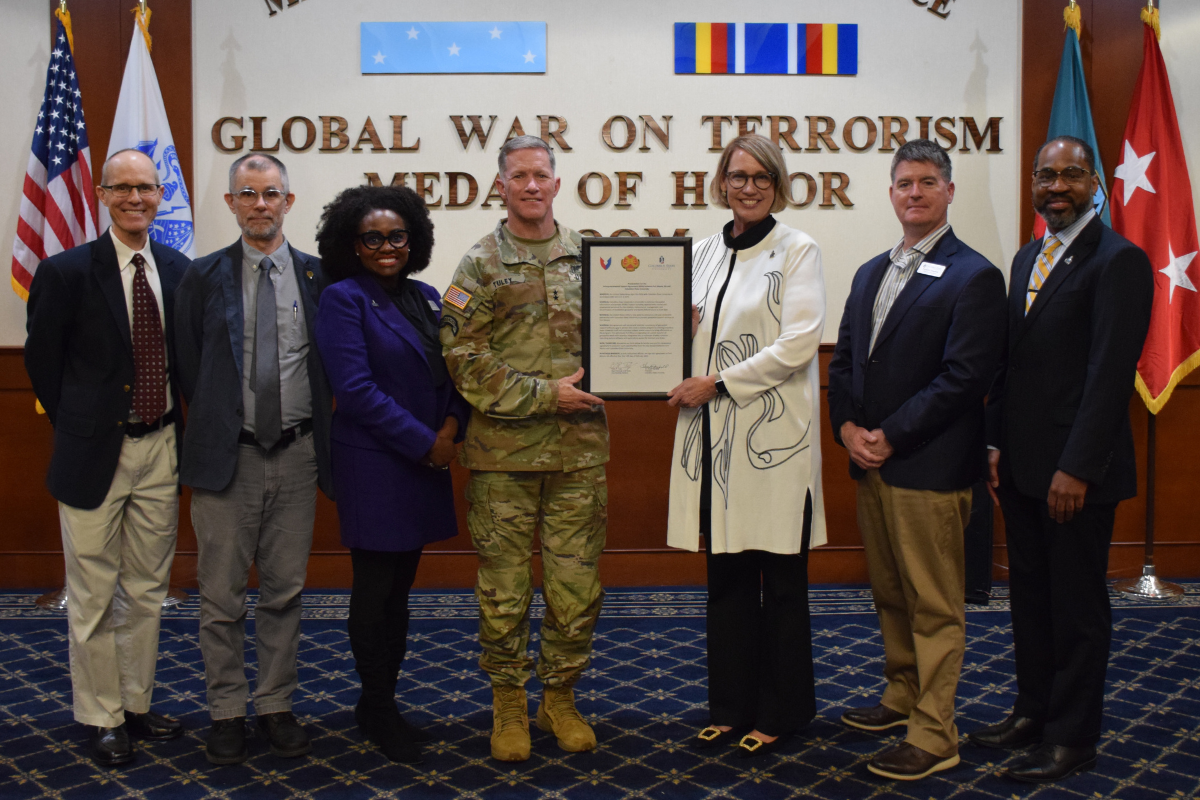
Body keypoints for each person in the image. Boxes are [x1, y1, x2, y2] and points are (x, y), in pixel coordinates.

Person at [972, 135, 1153, 783]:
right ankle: (1033, 713)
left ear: (1095, 183)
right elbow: (1010, 366)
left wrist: (1075, 467)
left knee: (1076, 609)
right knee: (1031, 600)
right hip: (1020, 470)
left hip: (1075, 476)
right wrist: (994, 444)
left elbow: (1109, 376)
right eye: (1045, 176)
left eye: (1070, 175)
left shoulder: (1119, 260)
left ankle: (1073, 738)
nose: (1056, 186)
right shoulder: (1028, 258)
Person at [827, 139, 1007, 781]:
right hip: (872, 464)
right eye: (904, 183)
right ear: (892, 192)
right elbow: (845, 360)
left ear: (949, 191)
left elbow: (963, 378)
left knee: (934, 604)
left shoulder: (975, 275)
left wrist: (890, 435)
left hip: (928, 466)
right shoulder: (871, 270)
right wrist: (847, 426)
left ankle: (935, 733)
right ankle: (902, 695)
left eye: (928, 182)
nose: (915, 193)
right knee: (891, 594)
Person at [440, 135, 609, 763]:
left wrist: (671, 326)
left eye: (542, 174)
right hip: (502, 459)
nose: (532, 185)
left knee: (576, 588)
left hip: (579, 456)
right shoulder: (479, 264)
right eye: (519, 176)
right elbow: (463, 358)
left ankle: (559, 698)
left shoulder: (592, 257)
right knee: (505, 591)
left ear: (557, 183)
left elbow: (624, 335)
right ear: (501, 185)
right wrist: (545, 396)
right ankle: (508, 702)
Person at [664, 134, 826, 759]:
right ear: (721, 182)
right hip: (711, 446)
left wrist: (721, 382)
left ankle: (783, 712)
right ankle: (729, 707)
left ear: (778, 184)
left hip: (775, 444)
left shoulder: (798, 249)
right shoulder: (700, 253)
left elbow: (800, 342)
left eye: (762, 176)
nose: (749, 186)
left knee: (781, 582)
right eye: (738, 175)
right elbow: (677, 332)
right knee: (726, 579)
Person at [24, 148, 189, 766]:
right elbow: (43, 363)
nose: (135, 199)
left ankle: (135, 704)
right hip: (95, 451)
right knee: (92, 593)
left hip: (162, 446)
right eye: (122, 188)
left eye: (145, 188)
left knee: (148, 589)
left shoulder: (177, 269)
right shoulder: (66, 271)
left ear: (159, 194)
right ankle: (100, 714)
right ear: (101, 193)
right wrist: (85, 427)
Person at [175, 153, 333, 765]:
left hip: (297, 455)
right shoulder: (201, 276)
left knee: (284, 591)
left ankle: (274, 703)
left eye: (272, 194)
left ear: (289, 202)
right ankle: (225, 710)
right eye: (248, 193)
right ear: (231, 204)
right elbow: (190, 364)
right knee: (220, 596)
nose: (260, 204)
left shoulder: (321, 279)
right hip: (226, 458)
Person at [313, 185, 470, 764]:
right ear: (351, 244)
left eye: (397, 236)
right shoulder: (343, 299)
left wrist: (451, 429)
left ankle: (386, 701)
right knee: (375, 593)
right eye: (373, 237)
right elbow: (353, 391)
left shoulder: (428, 296)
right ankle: (374, 706)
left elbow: (455, 375)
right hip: (378, 465)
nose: (387, 246)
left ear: (414, 239)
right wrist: (425, 442)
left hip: (426, 462)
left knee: (400, 594)